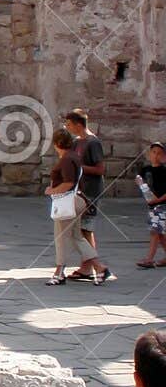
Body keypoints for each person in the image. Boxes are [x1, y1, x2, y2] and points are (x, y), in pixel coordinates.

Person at [63, 109, 113, 282]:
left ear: (78, 124)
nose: (66, 127)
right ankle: (88, 266)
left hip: (91, 192)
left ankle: (95, 266)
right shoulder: (77, 142)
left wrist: (80, 168)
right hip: (78, 190)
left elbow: (100, 169)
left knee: (85, 229)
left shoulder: (93, 143)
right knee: (82, 230)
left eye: (69, 124)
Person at [45, 126, 99, 286]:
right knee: (77, 237)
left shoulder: (67, 159)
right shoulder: (74, 156)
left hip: (69, 201)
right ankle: (100, 267)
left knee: (61, 237)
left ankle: (59, 272)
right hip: (77, 200)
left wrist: (51, 190)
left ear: (56, 144)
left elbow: (68, 183)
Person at [135, 142, 166, 269]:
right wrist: (139, 182)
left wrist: (158, 200)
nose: (156, 155)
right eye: (154, 152)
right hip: (152, 205)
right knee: (160, 233)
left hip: (162, 205)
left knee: (155, 231)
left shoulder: (164, 171)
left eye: (160, 153)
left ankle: (149, 259)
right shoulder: (146, 170)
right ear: (149, 154)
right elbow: (141, 183)